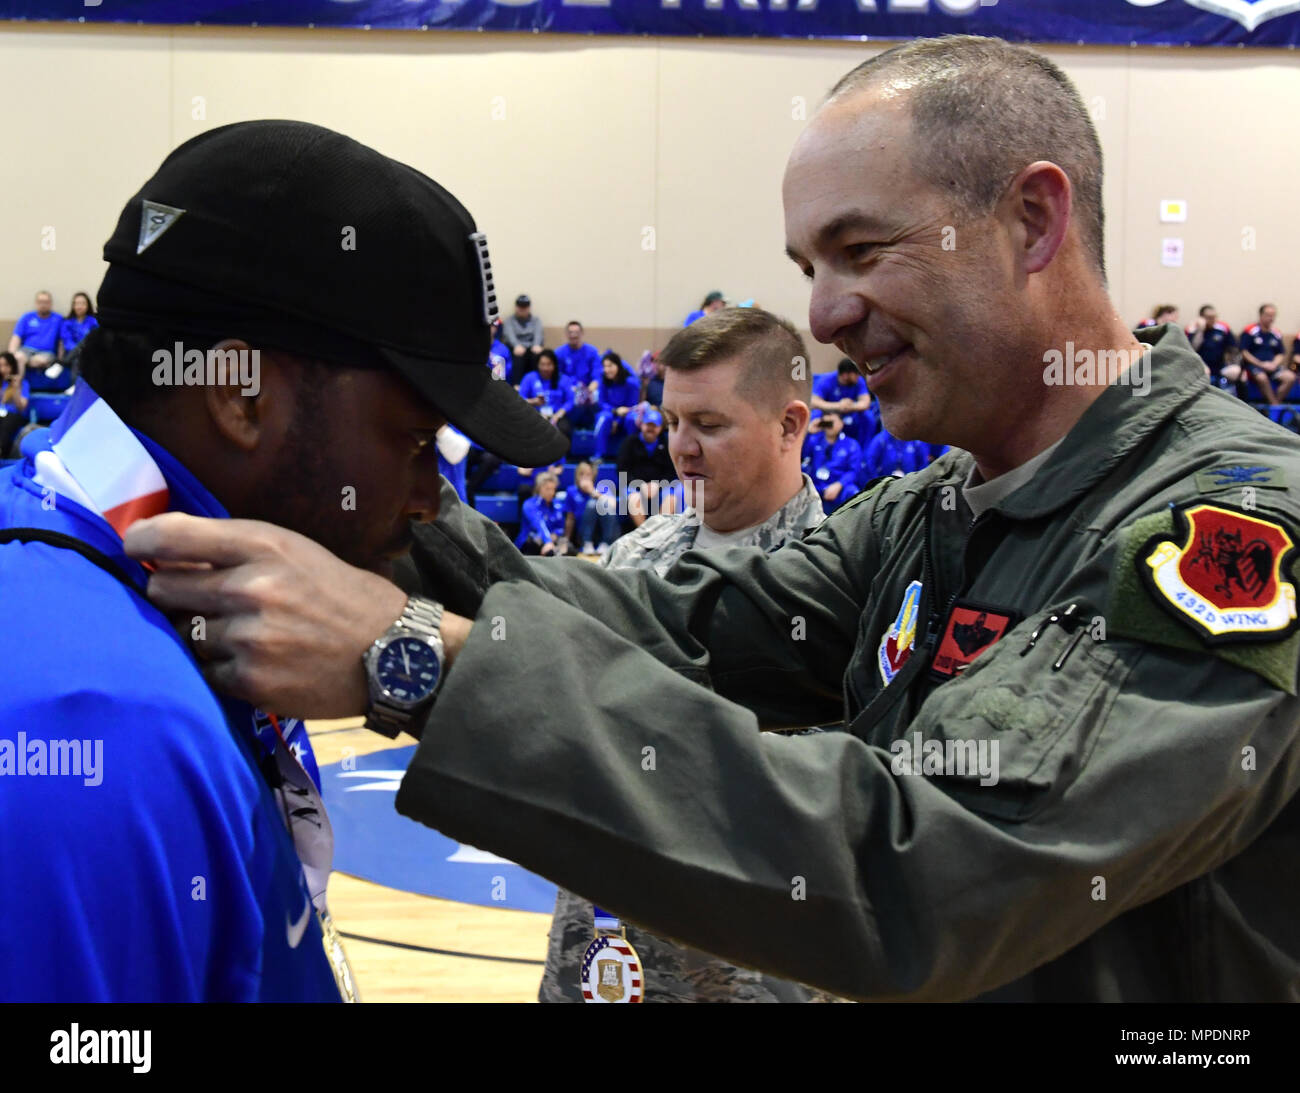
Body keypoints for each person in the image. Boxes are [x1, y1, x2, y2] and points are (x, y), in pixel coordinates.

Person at [125, 37, 1300, 1002]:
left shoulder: (1222, 530)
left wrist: (416, 664)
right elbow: (659, 625)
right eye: (806, 262)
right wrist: (364, 498)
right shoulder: (931, 516)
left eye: (861, 250)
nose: (825, 312)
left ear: (1032, 223)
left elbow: (925, 874)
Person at [0, 119, 566, 1002]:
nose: (431, 497)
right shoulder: (102, 731)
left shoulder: (163, 577)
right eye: (414, 438)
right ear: (239, 394)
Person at [541, 306, 837, 1002]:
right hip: (600, 956)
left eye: (709, 424)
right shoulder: (631, 558)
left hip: (754, 971)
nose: (681, 448)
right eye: (672, 421)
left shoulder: (836, 592)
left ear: (790, 425)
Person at [614, 407, 677, 528]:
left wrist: (658, 485)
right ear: (642, 425)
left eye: (655, 426)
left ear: (660, 428)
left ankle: (658, 534)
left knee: (671, 498)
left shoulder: (667, 443)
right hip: (633, 485)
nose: (651, 428)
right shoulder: (629, 442)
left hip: (659, 486)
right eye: (648, 424)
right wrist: (639, 485)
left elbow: (671, 471)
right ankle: (644, 534)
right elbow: (621, 470)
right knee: (634, 498)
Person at [803, 409, 864, 513]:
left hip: (838, 486)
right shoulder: (814, 440)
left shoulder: (852, 445)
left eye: (832, 422)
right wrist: (808, 433)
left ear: (841, 423)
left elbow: (854, 471)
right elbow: (801, 456)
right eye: (827, 422)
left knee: (852, 492)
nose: (829, 426)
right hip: (816, 485)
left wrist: (839, 484)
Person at [812, 357, 875, 448]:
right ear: (845, 375)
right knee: (814, 416)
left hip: (850, 413)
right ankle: (815, 450)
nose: (858, 377)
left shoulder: (859, 381)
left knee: (868, 417)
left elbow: (865, 402)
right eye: (856, 374)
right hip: (828, 412)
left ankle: (864, 451)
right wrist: (838, 406)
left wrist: (851, 406)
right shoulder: (827, 380)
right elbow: (814, 402)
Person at [8, 291, 65, 392]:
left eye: (46, 302)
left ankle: (25, 366)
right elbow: (16, 338)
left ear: (50, 303)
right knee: (18, 357)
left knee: (40, 360)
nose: (43, 305)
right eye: (40, 302)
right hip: (26, 351)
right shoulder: (26, 317)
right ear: (36, 303)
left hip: (46, 354)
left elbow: (61, 341)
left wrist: (60, 360)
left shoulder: (58, 319)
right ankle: (17, 388)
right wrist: (10, 357)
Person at [1240, 304, 1295, 405]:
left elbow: (1280, 353)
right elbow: (1244, 352)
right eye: (1268, 315)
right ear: (1261, 315)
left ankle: (1275, 404)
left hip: (1272, 366)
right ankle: (1274, 405)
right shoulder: (1250, 330)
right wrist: (1260, 364)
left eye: (1273, 315)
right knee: (1262, 378)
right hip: (1255, 366)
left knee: (1290, 377)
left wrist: (1274, 364)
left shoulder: (1276, 333)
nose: (1271, 318)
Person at [563, 460, 620, 555]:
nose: (585, 477)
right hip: (584, 533)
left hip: (606, 532)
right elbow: (570, 518)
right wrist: (566, 539)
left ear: (593, 475)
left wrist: (592, 492)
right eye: (581, 474)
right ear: (576, 476)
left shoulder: (603, 488)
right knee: (592, 504)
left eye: (588, 474)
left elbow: (613, 505)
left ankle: (606, 543)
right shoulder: (571, 491)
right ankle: (587, 543)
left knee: (598, 503)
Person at [593, 351, 641, 460]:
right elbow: (601, 402)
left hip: (627, 414)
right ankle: (599, 455)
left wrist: (618, 420)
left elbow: (633, 405)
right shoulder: (604, 382)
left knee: (631, 419)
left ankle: (633, 455)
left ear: (618, 365)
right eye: (604, 366)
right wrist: (614, 412)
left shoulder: (631, 383)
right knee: (604, 418)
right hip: (611, 412)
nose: (607, 370)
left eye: (610, 366)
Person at [518, 348, 574, 441]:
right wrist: (533, 402)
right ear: (538, 365)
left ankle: (561, 455)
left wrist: (558, 415)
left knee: (565, 428)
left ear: (555, 365)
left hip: (557, 416)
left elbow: (570, 401)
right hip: (534, 415)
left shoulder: (564, 379)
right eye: (542, 364)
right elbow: (519, 399)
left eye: (549, 364)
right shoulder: (530, 377)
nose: (545, 368)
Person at [515, 472, 568, 556]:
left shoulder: (557, 505)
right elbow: (539, 524)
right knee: (539, 546)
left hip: (550, 539)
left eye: (553, 489)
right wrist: (548, 541)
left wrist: (555, 534)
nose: (551, 493)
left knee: (567, 548)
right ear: (539, 488)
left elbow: (560, 527)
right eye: (547, 489)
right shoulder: (529, 504)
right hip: (531, 541)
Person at [1186, 304, 1240, 388]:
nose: (1213, 320)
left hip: (1219, 367)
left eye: (1214, 317)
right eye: (1209, 317)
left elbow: (1233, 348)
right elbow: (1192, 349)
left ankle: (1242, 400)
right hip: (1200, 366)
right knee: (1206, 372)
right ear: (1201, 318)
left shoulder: (1222, 329)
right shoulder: (1193, 330)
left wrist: (1233, 363)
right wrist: (1200, 330)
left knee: (1236, 371)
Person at [501, 294, 544, 384]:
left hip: (532, 348)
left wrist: (536, 345)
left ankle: (535, 384)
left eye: (525, 306)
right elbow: (509, 335)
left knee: (537, 355)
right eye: (520, 306)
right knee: (518, 356)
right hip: (516, 349)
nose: (522, 309)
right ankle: (517, 385)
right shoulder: (509, 320)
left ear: (529, 307)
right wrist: (516, 345)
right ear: (516, 307)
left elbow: (538, 335)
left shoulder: (536, 320)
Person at [555, 321, 603, 393]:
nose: (574, 335)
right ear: (566, 334)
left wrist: (589, 390)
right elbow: (557, 376)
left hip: (588, 390)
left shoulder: (592, 352)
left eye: (577, 332)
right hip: (567, 391)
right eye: (570, 332)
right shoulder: (559, 353)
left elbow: (597, 376)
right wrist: (569, 389)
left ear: (582, 333)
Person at [0, 351, 30, 456]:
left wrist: (15, 388)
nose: (3, 369)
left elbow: (21, 407)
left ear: (12, 366)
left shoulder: (22, 384)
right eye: (0, 366)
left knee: (8, 422)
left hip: (13, 415)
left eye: (6, 365)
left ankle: (2, 450)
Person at [58, 291, 99, 358]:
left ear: (88, 305)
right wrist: (79, 351)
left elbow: (96, 341)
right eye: (77, 304)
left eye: (83, 304)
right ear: (73, 306)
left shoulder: (94, 322)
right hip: (72, 357)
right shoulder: (67, 323)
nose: (79, 307)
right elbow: (67, 342)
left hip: (89, 356)